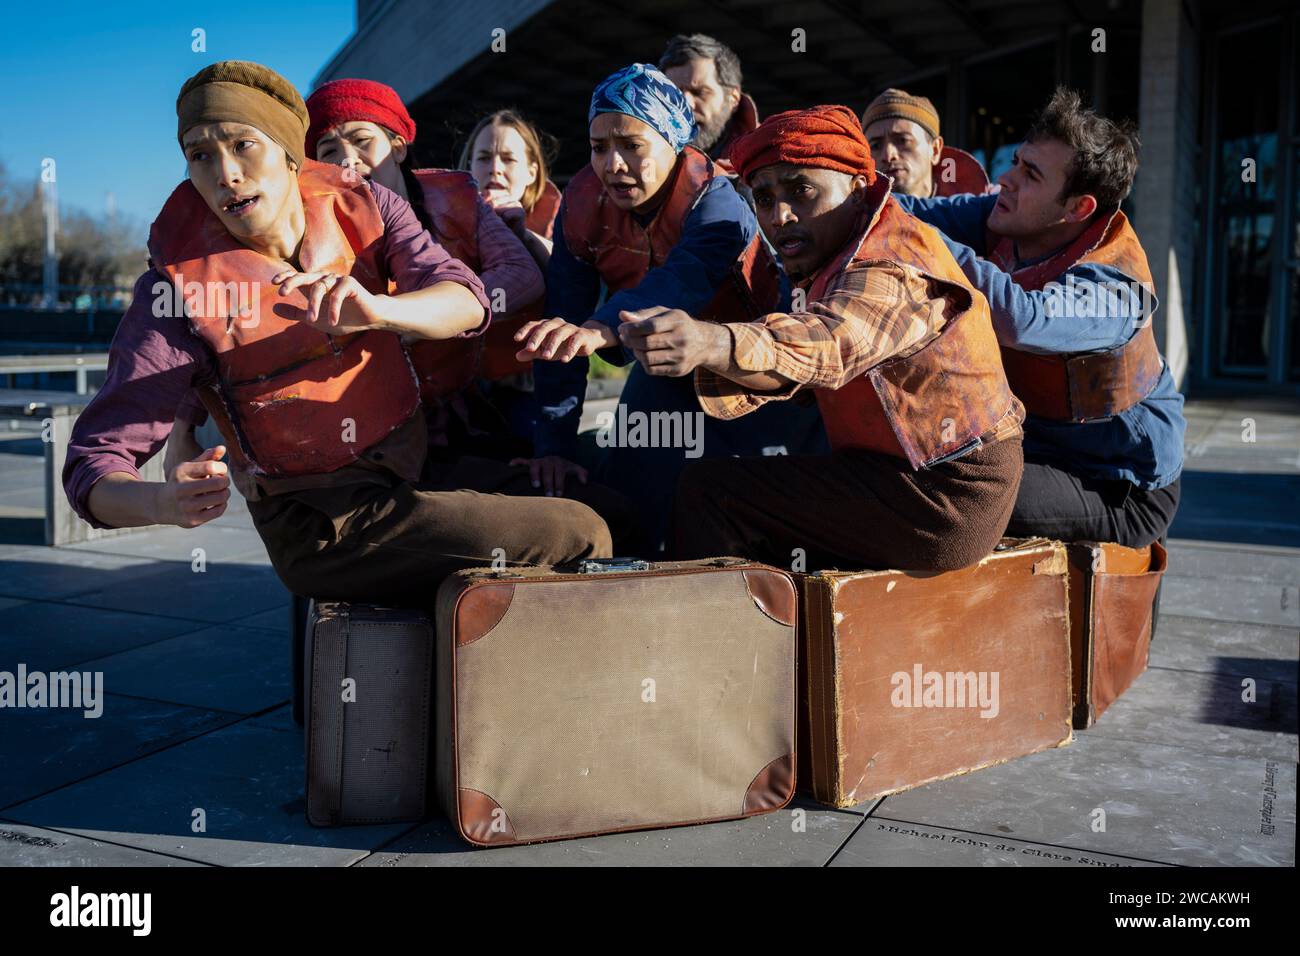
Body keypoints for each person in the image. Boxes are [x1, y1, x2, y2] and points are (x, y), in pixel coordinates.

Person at [64, 61, 639, 608]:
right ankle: (531, 708)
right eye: (200, 155)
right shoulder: (173, 292)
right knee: (578, 531)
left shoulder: (372, 204)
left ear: (291, 156)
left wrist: (380, 311)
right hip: (323, 519)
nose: (226, 173)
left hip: (412, 467)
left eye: (243, 145)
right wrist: (162, 502)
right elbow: (93, 465)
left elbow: (467, 298)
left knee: (614, 506)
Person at [614, 105, 1026, 571]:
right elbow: (798, 373)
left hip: (946, 497)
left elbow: (829, 342)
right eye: (764, 198)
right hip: (903, 474)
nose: (781, 215)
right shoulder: (836, 252)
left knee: (712, 492)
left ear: (856, 187)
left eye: (801, 191)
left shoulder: (888, 262)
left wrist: (710, 343)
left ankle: (712, 640)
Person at [516, 64, 827, 548]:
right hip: (669, 371)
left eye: (631, 145)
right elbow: (564, 326)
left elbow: (685, 278)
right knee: (633, 499)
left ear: (675, 144)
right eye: (599, 147)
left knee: (769, 515)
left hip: (764, 374)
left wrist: (602, 326)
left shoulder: (718, 200)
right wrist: (554, 447)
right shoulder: (580, 207)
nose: (612, 164)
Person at [893, 88, 1184, 549]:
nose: (1005, 181)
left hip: (1119, 484)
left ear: (1078, 208)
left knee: (960, 491)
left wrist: (923, 242)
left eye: (1030, 174)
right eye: (1015, 163)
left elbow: (1022, 319)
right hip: (1041, 445)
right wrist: (845, 183)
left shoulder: (1115, 288)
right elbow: (908, 212)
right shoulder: (1006, 215)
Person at [305, 78, 544, 460]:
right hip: (371, 431)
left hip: (471, 406)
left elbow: (522, 273)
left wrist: (423, 320)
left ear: (398, 148)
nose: (347, 160)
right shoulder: (308, 230)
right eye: (329, 150)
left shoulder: (459, 197)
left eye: (363, 141)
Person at [460, 109, 563, 440]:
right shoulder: (439, 218)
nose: (495, 168)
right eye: (484, 157)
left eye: (508, 158)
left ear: (532, 171)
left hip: (529, 387)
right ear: (468, 167)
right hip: (460, 387)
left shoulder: (561, 219)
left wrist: (523, 235)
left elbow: (570, 278)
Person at [861, 88, 990, 198]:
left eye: (903, 140)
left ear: (935, 150)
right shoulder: (852, 221)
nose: (888, 155)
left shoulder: (981, 216)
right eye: (876, 146)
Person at [658, 33, 759, 173]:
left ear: (733, 99)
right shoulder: (641, 161)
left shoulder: (767, 159)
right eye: (673, 95)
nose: (685, 105)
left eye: (699, 92)